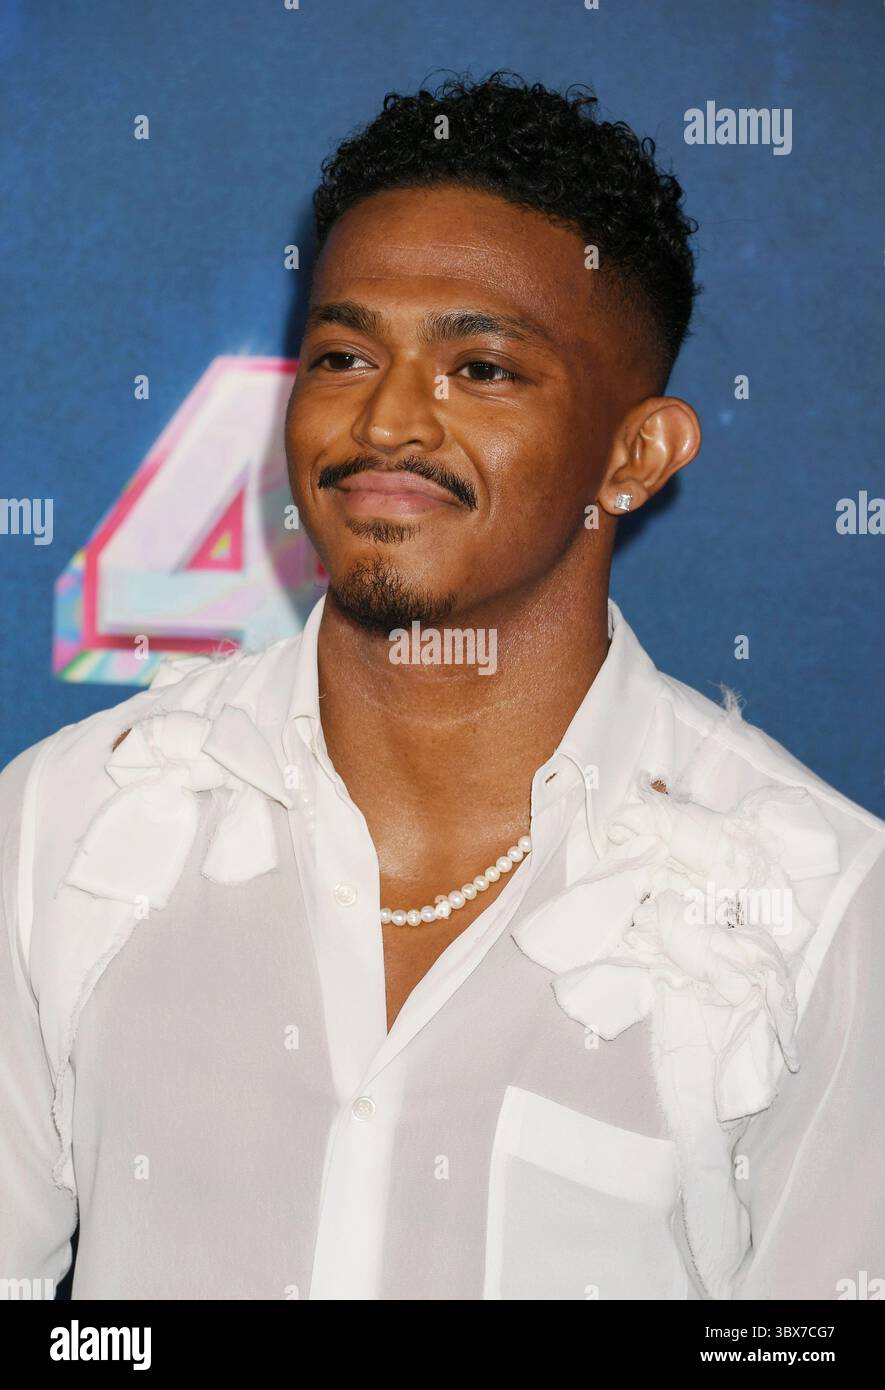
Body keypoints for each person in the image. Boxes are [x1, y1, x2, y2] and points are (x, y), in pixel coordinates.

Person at [1, 72, 882, 1302]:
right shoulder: (60, 828)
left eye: (481, 367)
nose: (388, 420)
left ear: (638, 453)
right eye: (345, 353)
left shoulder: (819, 911)